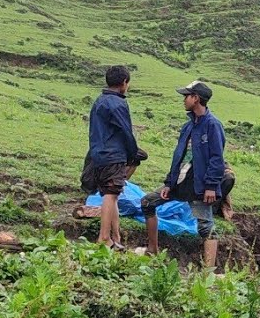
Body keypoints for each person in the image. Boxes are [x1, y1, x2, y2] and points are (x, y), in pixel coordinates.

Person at [138, 80, 234, 268]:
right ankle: (152, 250)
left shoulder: (213, 125)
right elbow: (178, 156)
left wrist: (211, 186)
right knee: (147, 202)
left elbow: (217, 158)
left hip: (199, 186)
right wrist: (168, 183)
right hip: (179, 184)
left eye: (186, 96)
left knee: (206, 227)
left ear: (196, 98)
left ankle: (208, 273)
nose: (183, 99)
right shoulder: (188, 126)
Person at [82, 65, 144, 250]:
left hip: (98, 154)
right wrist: (133, 153)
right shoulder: (118, 103)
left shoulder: (99, 101)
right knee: (110, 194)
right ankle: (104, 238)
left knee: (113, 194)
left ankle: (116, 237)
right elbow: (125, 130)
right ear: (124, 83)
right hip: (113, 155)